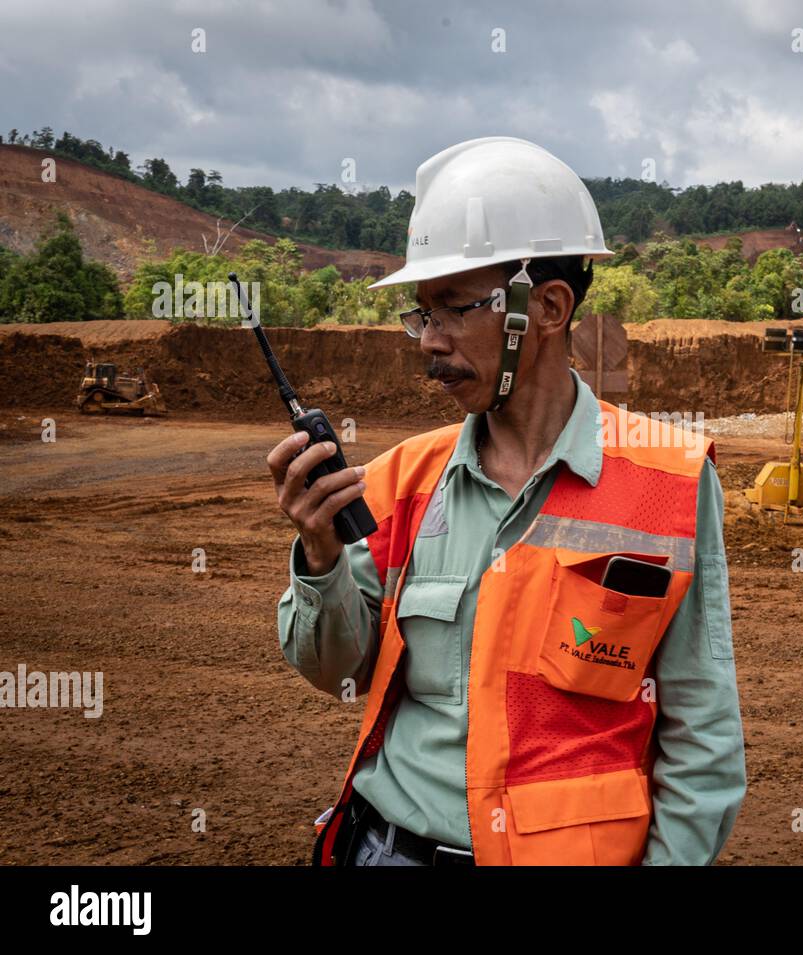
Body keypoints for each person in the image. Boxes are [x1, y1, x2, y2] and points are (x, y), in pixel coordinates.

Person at [270, 137, 746, 865]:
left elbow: (703, 738)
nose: (428, 341)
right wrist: (320, 555)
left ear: (547, 307)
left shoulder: (671, 482)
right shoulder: (403, 482)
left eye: (453, 310)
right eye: (420, 315)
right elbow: (335, 669)